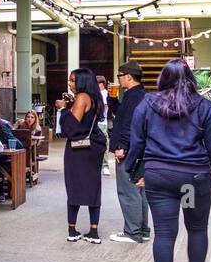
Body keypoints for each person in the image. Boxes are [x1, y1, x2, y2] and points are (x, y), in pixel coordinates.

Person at [126, 58, 211, 262]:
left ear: (163, 78)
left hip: (160, 178)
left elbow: (136, 142)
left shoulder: (147, 105)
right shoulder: (204, 107)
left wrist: (133, 171)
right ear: (191, 79)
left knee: (164, 233)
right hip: (192, 181)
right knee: (196, 229)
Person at [59, 68, 107, 244]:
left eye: (73, 81)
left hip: (79, 151)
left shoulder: (81, 97)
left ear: (82, 82)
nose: (70, 84)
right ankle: (93, 232)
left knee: (74, 187)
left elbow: (70, 129)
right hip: (94, 148)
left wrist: (64, 110)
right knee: (93, 187)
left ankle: (72, 230)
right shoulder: (95, 98)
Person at [107, 61, 150, 244]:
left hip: (129, 151)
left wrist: (121, 146)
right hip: (139, 150)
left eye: (120, 76)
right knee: (139, 190)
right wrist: (113, 100)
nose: (118, 79)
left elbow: (129, 123)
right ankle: (142, 230)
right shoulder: (139, 95)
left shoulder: (133, 96)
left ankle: (132, 231)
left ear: (128, 76)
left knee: (128, 190)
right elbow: (123, 115)